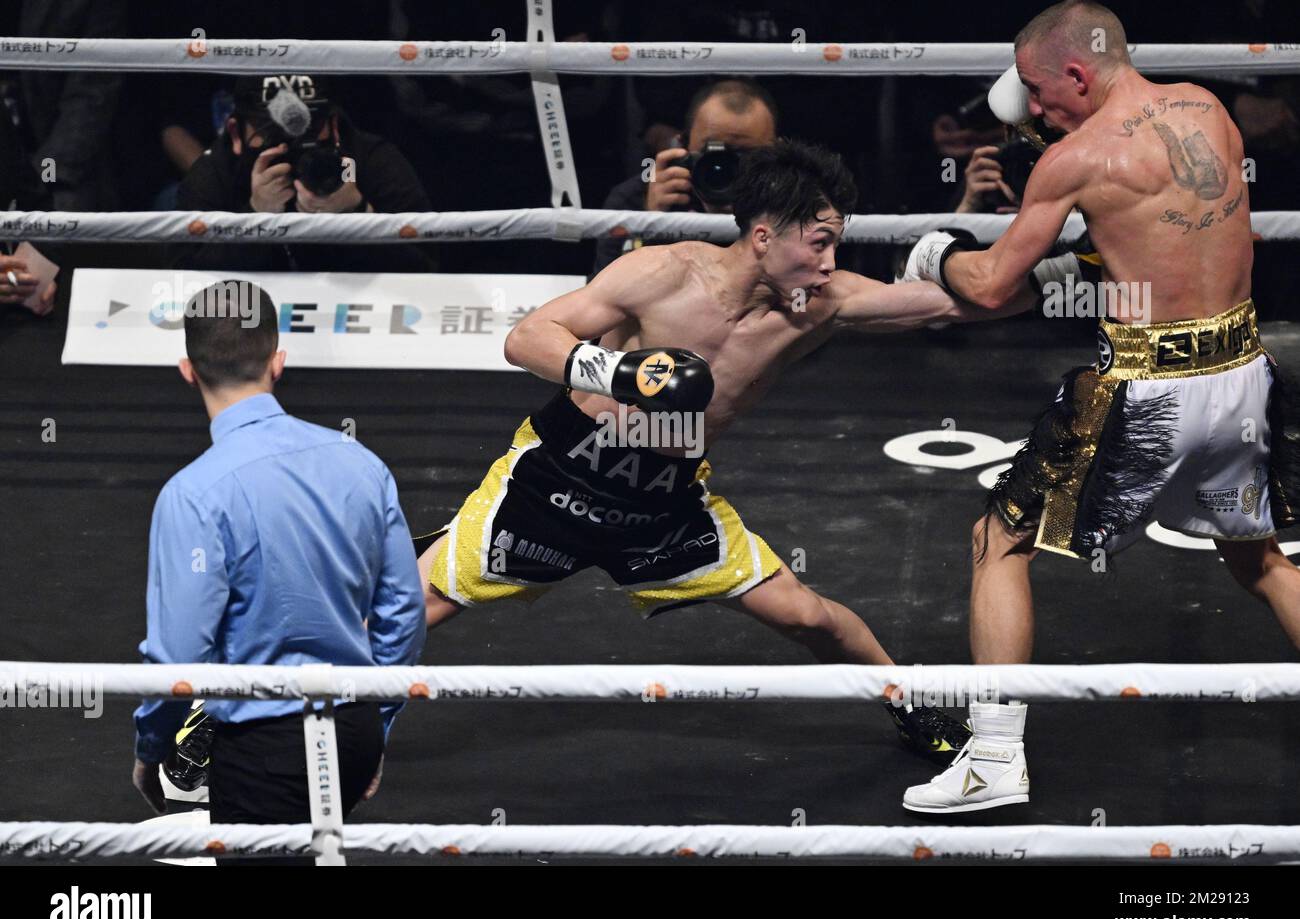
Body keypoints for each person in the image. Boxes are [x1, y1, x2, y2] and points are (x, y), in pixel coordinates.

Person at [414, 139, 1050, 763]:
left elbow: (976, 302)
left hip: (665, 506)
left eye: (836, 242)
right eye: (820, 241)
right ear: (766, 235)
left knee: (806, 617)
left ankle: (906, 700)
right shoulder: (662, 273)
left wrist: (1064, 268)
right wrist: (628, 375)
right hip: (555, 480)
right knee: (416, 610)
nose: (831, 261)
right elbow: (526, 339)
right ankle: (322, 708)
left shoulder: (824, 304)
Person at [899, 0, 1300, 813]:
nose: (1035, 117)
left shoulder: (1075, 160)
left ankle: (995, 760)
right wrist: (1098, 257)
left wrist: (938, 253)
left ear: (1077, 76)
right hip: (1244, 373)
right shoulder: (1210, 109)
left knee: (997, 539)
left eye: (1041, 98)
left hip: (1148, 389)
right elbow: (1186, 237)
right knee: (1261, 562)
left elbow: (991, 284)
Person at [131, 280, 426, 862]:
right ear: (278, 362)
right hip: (352, 727)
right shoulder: (361, 464)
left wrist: (153, 746)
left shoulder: (192, 494)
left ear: (188, 370)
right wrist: (374, 722)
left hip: (264, 745)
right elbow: (404, 610)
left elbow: (179, 655)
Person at [173, 74, 434, 273]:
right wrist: (254, 219)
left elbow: (429, 269)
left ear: (333, 126)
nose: (290, 145)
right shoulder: (215, 173)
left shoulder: (371, 159)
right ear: (235, 133)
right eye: (271, 135)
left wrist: (358, 215)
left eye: (307, 132)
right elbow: (185, 279)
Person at [590, 79, 779, 277]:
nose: (728, 169)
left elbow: (801, 296)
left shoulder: (794, 201)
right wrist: (652, 227)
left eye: (748, 156)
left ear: (776, 152)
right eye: (714, 154)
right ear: (683, 145)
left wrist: (773, 214)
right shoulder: (635, 201)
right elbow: (604, 301)